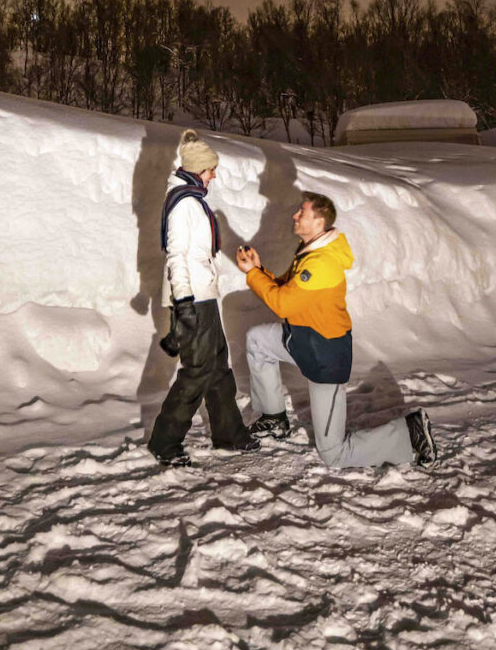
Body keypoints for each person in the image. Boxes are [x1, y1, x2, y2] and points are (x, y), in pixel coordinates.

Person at [235, 191, 438, 469]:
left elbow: (283, 304)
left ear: (318, 222)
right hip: (302, 339)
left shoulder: (321, 263)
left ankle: (409, 433)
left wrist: (252, 274)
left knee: (333, 453)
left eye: (302, 212)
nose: (295, 216)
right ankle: (274, 418)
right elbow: (286, 289)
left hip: (324, 356)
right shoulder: (311, 252)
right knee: (258, 340)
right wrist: (259, 270)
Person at [147, 129, 259, 468]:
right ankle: (164, 442)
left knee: (218, 367)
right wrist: (184, 304)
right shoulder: (184, 205)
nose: (214, 175)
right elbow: (176, 256)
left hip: (203, 298)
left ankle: (229, 434)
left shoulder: (192, 200)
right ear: (198, 170)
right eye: (210, 169)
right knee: (197, 371)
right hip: (192, 299)